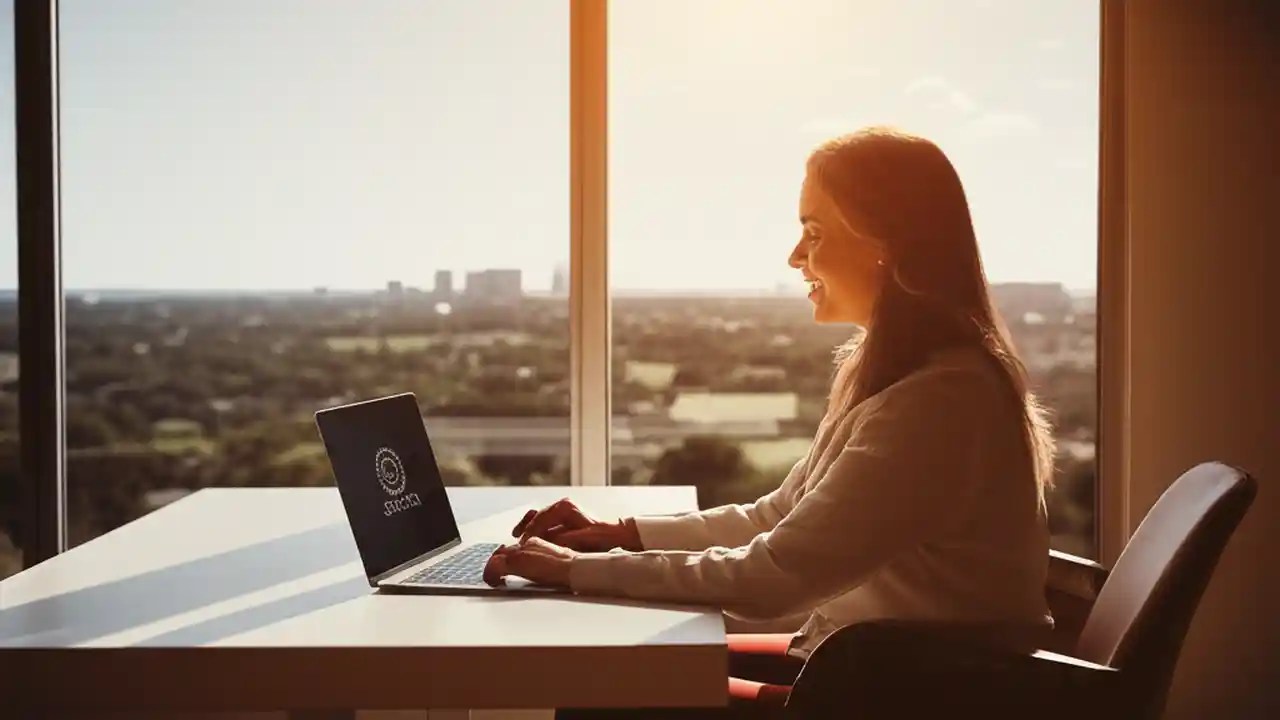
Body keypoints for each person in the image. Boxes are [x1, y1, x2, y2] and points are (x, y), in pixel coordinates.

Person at [483, 126, 1056, 717]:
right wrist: (620, 535)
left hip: (913, 694)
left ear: (888, 243)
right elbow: (777, 517)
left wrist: (579, 570)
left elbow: (772, 578)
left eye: (815, 232)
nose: (795, 256)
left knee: (600, 684)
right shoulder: (898, 374)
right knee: (616, 663)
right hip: (867, 670)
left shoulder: (939, 405)